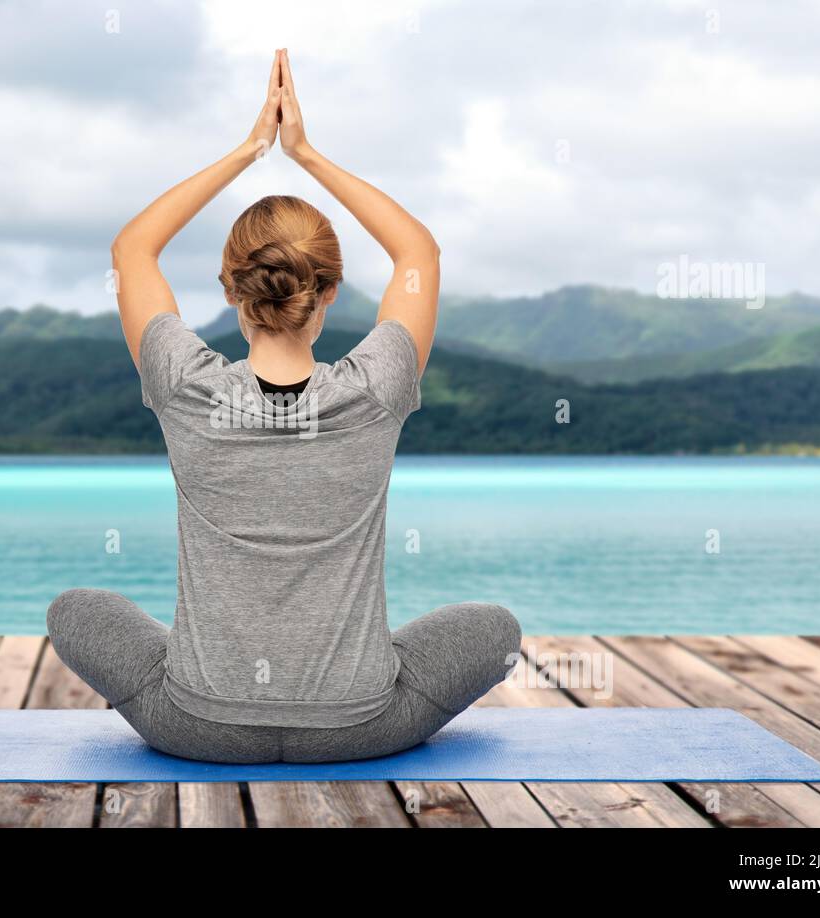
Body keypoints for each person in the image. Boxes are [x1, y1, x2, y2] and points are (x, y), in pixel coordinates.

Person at [48, 50, 520, 763]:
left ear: (231, 291)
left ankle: (235, 674)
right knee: (496, 627)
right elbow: (418, 250)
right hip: (361, 727)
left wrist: (249, 151)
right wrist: (306, 153)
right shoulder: (376, 387)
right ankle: (331, 675)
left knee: (73, 611)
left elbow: (134, 248)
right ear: (329, 293)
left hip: (198, 726)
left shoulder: (183, 382)